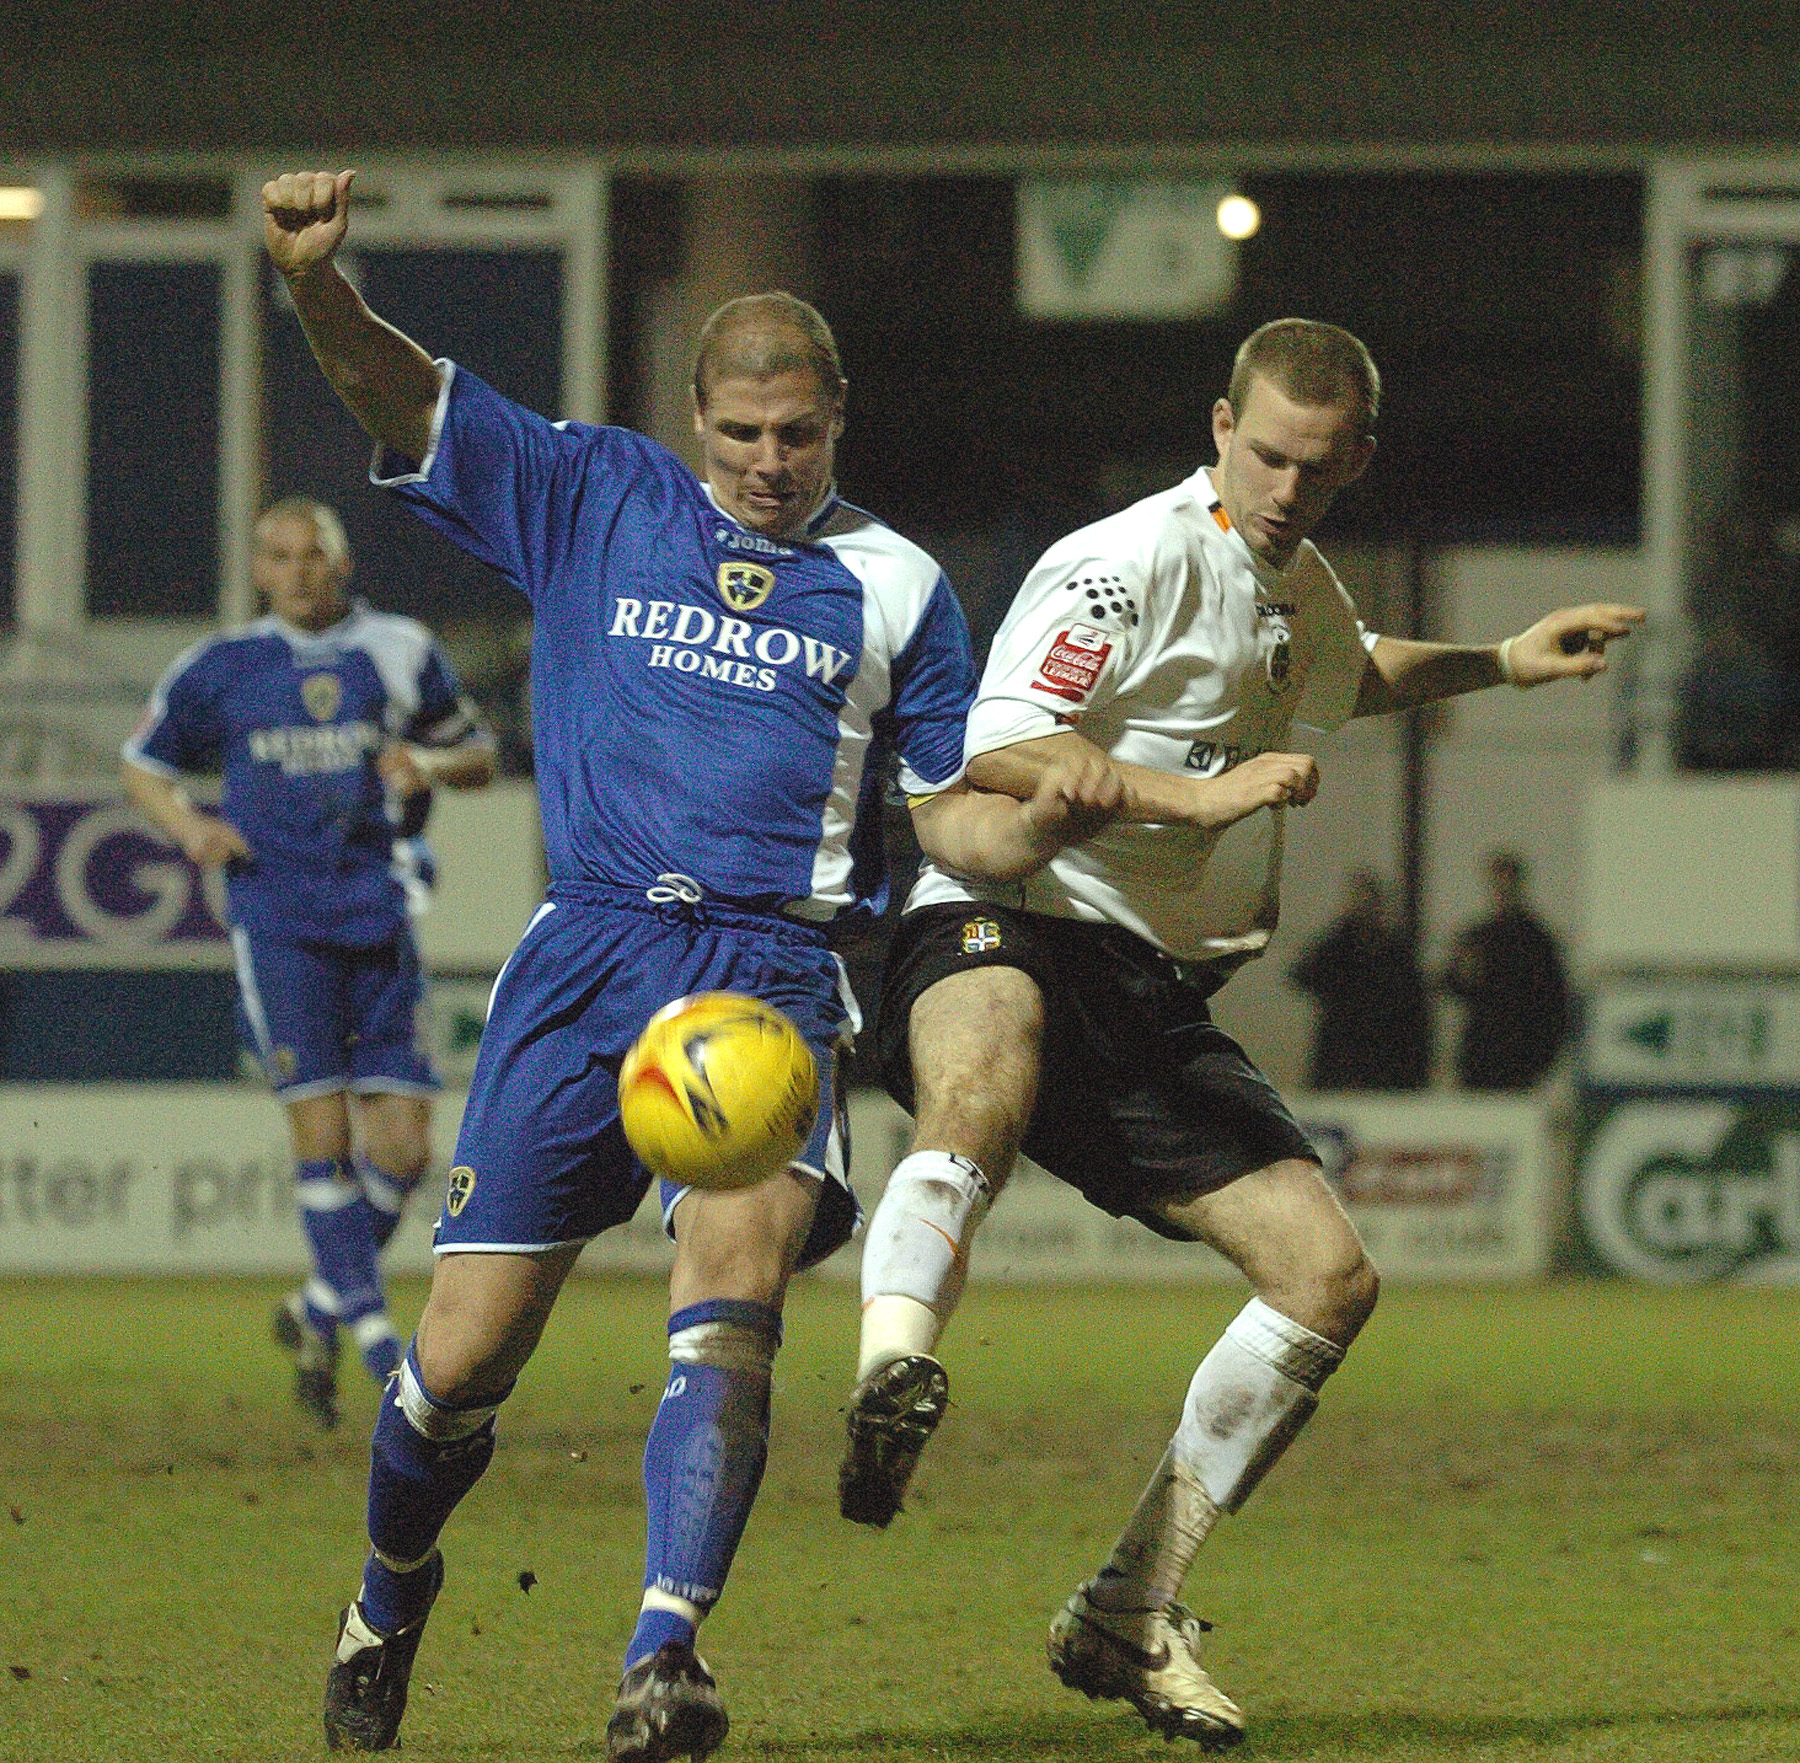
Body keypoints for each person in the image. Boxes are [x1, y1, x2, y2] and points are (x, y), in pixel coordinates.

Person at [259, 168, 1117, 1761]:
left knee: (731, 1287)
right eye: (740, 436)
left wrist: (1044, 817)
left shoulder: (906, 588)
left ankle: (666, 1653)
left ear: (838, 419)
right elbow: (396, 386)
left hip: (769, 979)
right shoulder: (589, 491)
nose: (769, 464)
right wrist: (318, 284)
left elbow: (950, 823)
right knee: (457, 1363)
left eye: (797, 435)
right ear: (693, 416)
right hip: (586, 956)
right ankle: (388, 1588)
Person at [838, 318, 1643, 1748]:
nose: (1283, 486)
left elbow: (1356, 671)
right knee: (981, 1086)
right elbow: (997, 746)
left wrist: (1510, 661)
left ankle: (1129, 1605)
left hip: (1150, 989)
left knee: (1328, 1276)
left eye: (1317, 470)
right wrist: (1187, 798)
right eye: (1265, 454)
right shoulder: (1126, 559)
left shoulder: (1296, 580)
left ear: (1356, 464)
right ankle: (891, 1366)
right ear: (1219, 425)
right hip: (1009, 902)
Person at [122, 497, 497, 1429]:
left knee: (405, 1152)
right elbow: (144, 765)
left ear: (342, 561)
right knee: (324, 1138)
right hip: (277, 922)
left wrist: (427, 765)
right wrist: (187, 826)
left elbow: (481, 753)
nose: (297, 571)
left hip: (377, 917)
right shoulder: (222, 666)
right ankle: (375, 1346)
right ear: (259, 569)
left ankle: (315, 1305)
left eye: (313, 555)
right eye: (279, 556)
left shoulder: (401, 648)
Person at [1287, 868, 1430, 1090]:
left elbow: (1415, 1008)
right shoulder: (1336, 947)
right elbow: (1301, 976)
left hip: (1386, 1060)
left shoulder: (1396, 952)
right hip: (1340, 1058)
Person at [1443, 850, 1572, 1090]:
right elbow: (1453, 987)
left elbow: (1555, 1003)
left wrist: (1542, 1058)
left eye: (1507, 884)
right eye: (1497, 885)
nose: (1502, 893)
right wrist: (1462, 972)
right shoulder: (1477, 936)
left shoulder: (1537, 941)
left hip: (1521, 1057)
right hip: (1480, 1058)